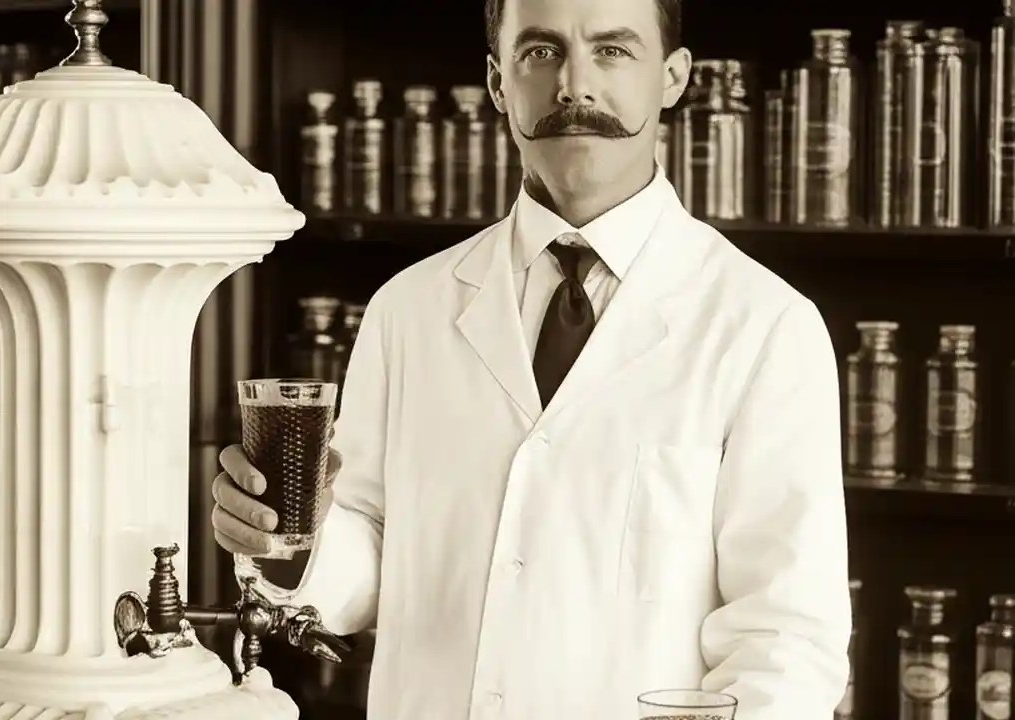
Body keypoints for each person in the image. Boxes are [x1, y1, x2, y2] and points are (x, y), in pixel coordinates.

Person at [212, 0, 852, 716]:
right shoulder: (408, 307)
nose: (573, 86)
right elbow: (368, 549)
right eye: (540, 53)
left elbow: (786, 642)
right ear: (496, 82)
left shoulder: (765, 326)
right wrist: (289, 546)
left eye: (612, 50)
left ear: (673, 78)